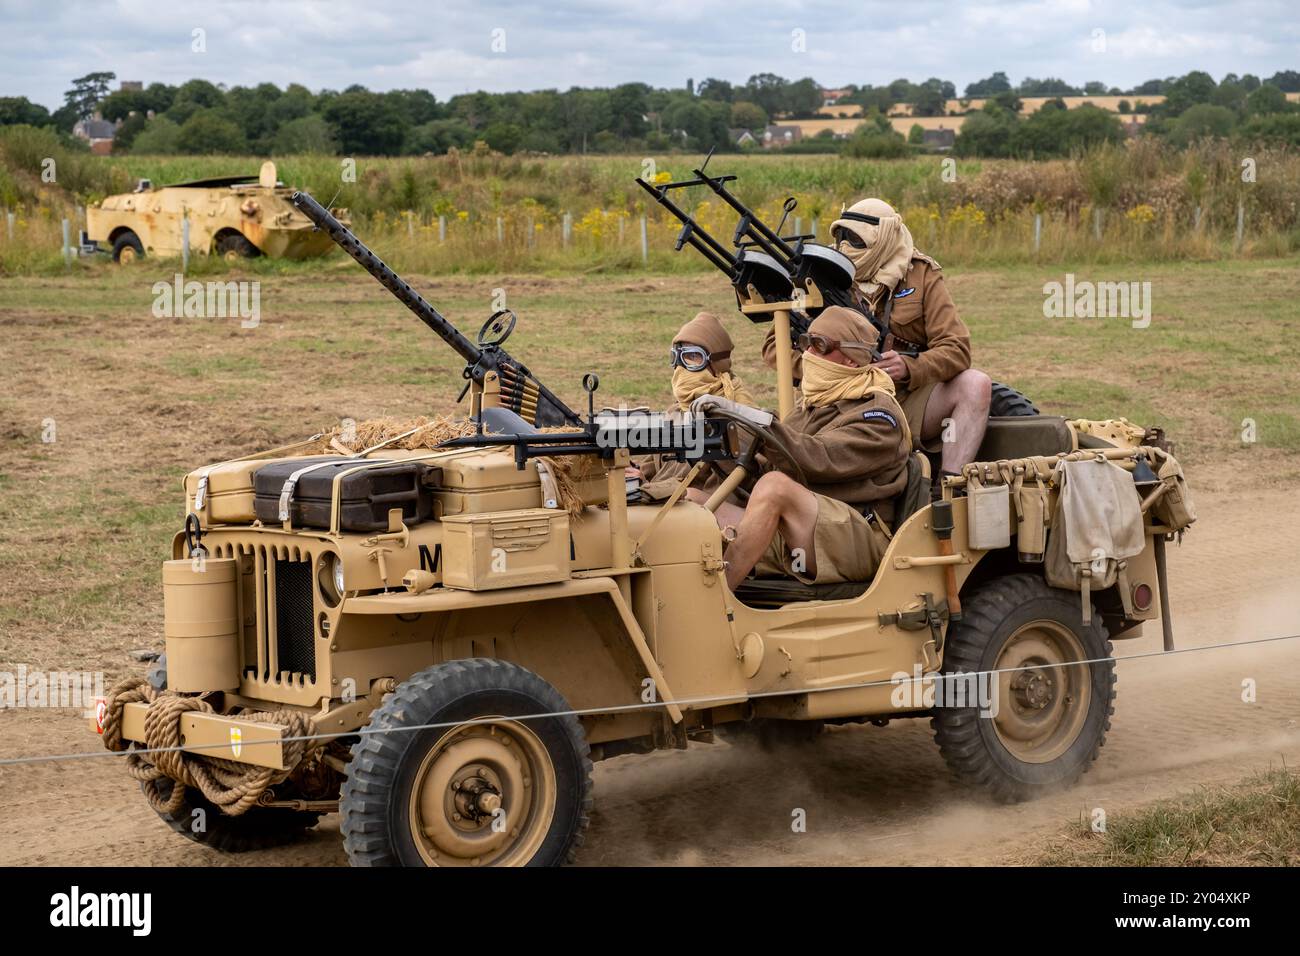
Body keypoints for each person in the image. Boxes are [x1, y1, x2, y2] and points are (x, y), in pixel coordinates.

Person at [763, 198, 991, 488]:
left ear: (884, 238)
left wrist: (909, 366)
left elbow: (957, 349)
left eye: (856, 239)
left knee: (976, 384)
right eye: (841, 236)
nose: (845, 246)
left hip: (904, 397)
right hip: (834, 401)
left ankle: (949, 487)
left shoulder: (921, 274)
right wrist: (826, 365)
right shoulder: (824, 274)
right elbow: (774, 347)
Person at [693, 306, 911, 592]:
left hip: (858, 536)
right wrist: (722, 441)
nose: (808, 354)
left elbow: (819, 457)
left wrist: (759, 421)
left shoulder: (880, 415)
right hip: (802, 525)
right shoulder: (813, 405)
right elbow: (769, 464)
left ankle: (713, 600)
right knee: (692, 504)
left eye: (820, 346)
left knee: (775, 488)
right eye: (806, 342)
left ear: (853, 359)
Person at [632, 311, 755, 500]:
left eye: (692, 357)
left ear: (716, 362)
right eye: (677, 357)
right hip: (662, 502)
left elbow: (746, 479)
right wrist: (636, 475)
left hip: (703, 511)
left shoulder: (741, 412)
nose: (681, 367)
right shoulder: (675, 411)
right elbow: (653, 468)